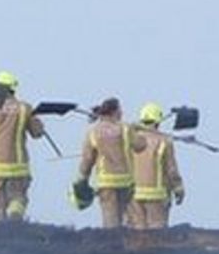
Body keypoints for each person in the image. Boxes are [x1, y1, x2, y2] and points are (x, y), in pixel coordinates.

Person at [0, 71, 45, 221]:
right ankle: (14, 213)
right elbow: (37, 133)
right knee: (18, 197)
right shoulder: (25, 108)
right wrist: (39, 124)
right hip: (18, 168)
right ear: (13, 88)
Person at [77, 97, 145, 228]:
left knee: (110, 221)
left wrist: (82, 179)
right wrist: (138, 132)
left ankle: (111, 245)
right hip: (125, 183)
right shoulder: (125, 128)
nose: (122, 112)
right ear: (115, 112)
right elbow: (140, 146)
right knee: (130, 219)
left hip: (105, 184)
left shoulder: (93, 131)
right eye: (120, 109)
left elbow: (87, 159)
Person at [127, 102, 185, 230]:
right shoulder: (164, 142)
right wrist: (178, 188)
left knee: (136, 233)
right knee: (156, 236)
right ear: (158, 122)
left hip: (133, 196)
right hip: (157, 197)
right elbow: (171, 170)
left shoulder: (130, 141)